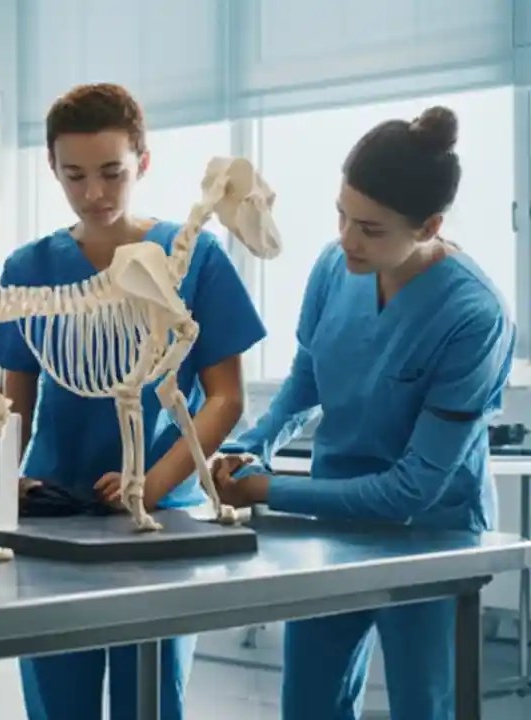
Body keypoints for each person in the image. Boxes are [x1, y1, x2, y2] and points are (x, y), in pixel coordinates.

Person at [213, 106, 516, 720]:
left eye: (372, 229)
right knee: (309, 704)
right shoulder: (334, 264)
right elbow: (307, 379)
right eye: (342, 215)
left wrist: (268, 490)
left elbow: (412, 489)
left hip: (432, 536)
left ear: (429, 225)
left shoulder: (473, 315)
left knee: (420, 706)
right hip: (331, 530)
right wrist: (254, 444)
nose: (348, 239)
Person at [0, 83, 266, 720]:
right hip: (53, 512)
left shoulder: (198, 259)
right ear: (51, 168)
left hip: (159, 517)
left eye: (112, 172)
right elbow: (10, 407)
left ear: (143, 162)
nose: (94, 194)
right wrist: (1, 495)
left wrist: (153, 485)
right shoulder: (30, 266)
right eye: (74, 175)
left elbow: (226, 396)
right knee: (59, 704)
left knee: (153, 699)